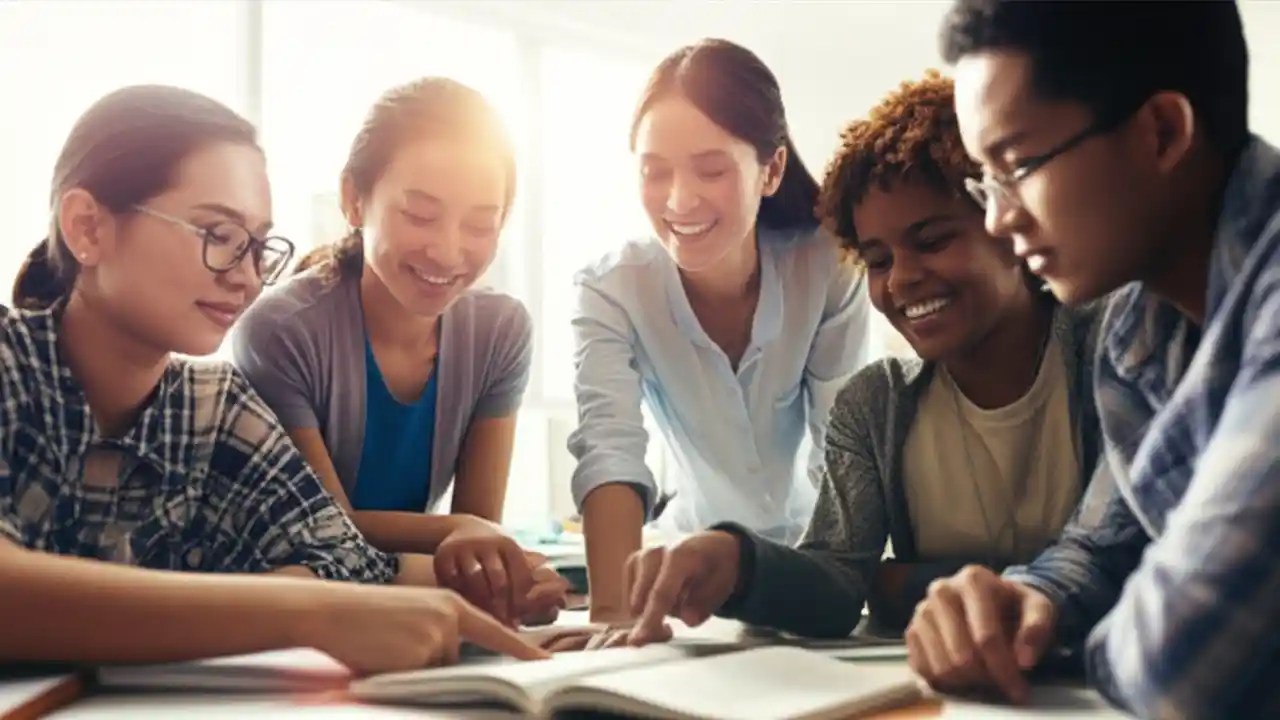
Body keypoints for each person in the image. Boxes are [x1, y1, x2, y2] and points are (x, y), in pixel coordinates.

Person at [0, 84, 546, 673]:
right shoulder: (12, 364)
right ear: (87, 227)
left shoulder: (217, 410)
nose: (248, 279)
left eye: (258, 247)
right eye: (218, 236)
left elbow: (345, 557)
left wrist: (481, 585)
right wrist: (304, 611)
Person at [612, 72, 1104, 646]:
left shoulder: (1107, 354)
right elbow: (840, 580)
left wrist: (909, 586)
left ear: (1009, 222)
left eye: (932, 240)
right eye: (876, 259)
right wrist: (738, 560)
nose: (903, 278)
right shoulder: (876, 405)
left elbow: (1136, 552)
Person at [904, 2, 1280, 717]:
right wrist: (1022, 605)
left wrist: (1068, 645)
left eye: (1018, 166)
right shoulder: (1140, 331)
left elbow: (1179, 666)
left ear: (1162, 132)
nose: (996, 216)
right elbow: (1105, 549)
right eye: (987, 179)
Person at [234, 78, 565, 628]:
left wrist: (500, 577)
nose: (449, 250)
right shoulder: (280, 332)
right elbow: (324, 529)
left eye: (481, 223)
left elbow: (477, 524)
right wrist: (464, 543)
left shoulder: (500, 332)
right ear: (352, 200)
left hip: (405, 597)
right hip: (297, 604)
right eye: (419, 214)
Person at [569, 38, 872, 622]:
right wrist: (613, 614)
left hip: (814, 565)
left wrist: (823, 584)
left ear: (772, 169)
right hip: (687, 572)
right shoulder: (610, 289)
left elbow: (843, 447)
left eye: (711, 170)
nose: (680, 201)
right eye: (655, 172)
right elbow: (610, 449)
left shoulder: (828, 264)